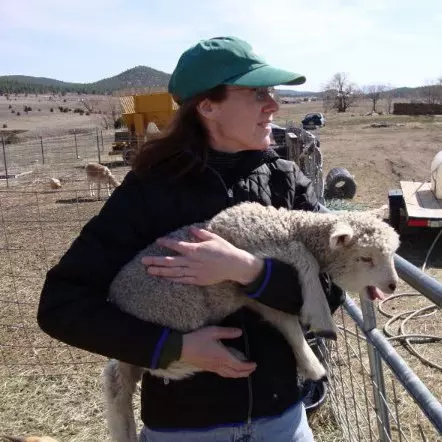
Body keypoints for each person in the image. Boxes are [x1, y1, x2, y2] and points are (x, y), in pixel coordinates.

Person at [38, 36, 344, 441]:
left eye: (271, 92)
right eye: (257, 93)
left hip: (283, 420)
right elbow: (62, 304)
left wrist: (251, 272)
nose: (274, 104)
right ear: (207, 106)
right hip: (186, 427)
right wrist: (172, 348)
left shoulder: (286, 181)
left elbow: (331, 293)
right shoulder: (150, 190)